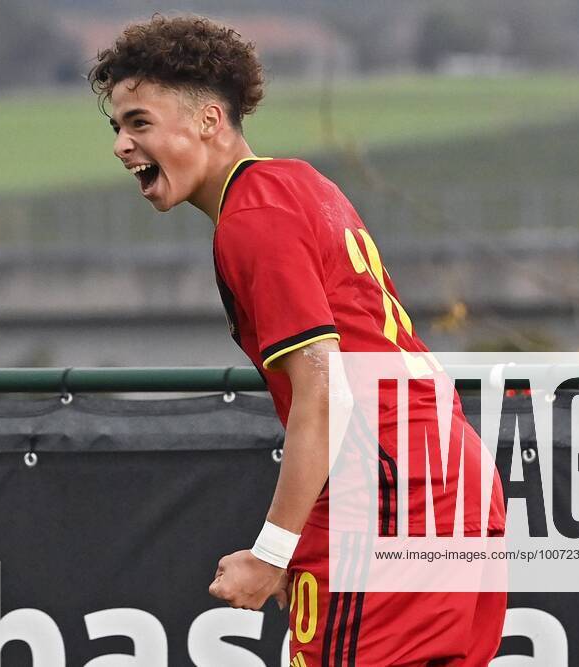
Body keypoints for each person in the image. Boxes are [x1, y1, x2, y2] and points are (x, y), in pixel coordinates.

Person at [89, 15, 506, 666]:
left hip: (387, 493)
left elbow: (322, 392)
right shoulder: (298, 185)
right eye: (117, 127)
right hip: (451, 476)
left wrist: (271, 552)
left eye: (139, 122)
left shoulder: (252, 219)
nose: (122, 144)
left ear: (207, 121)